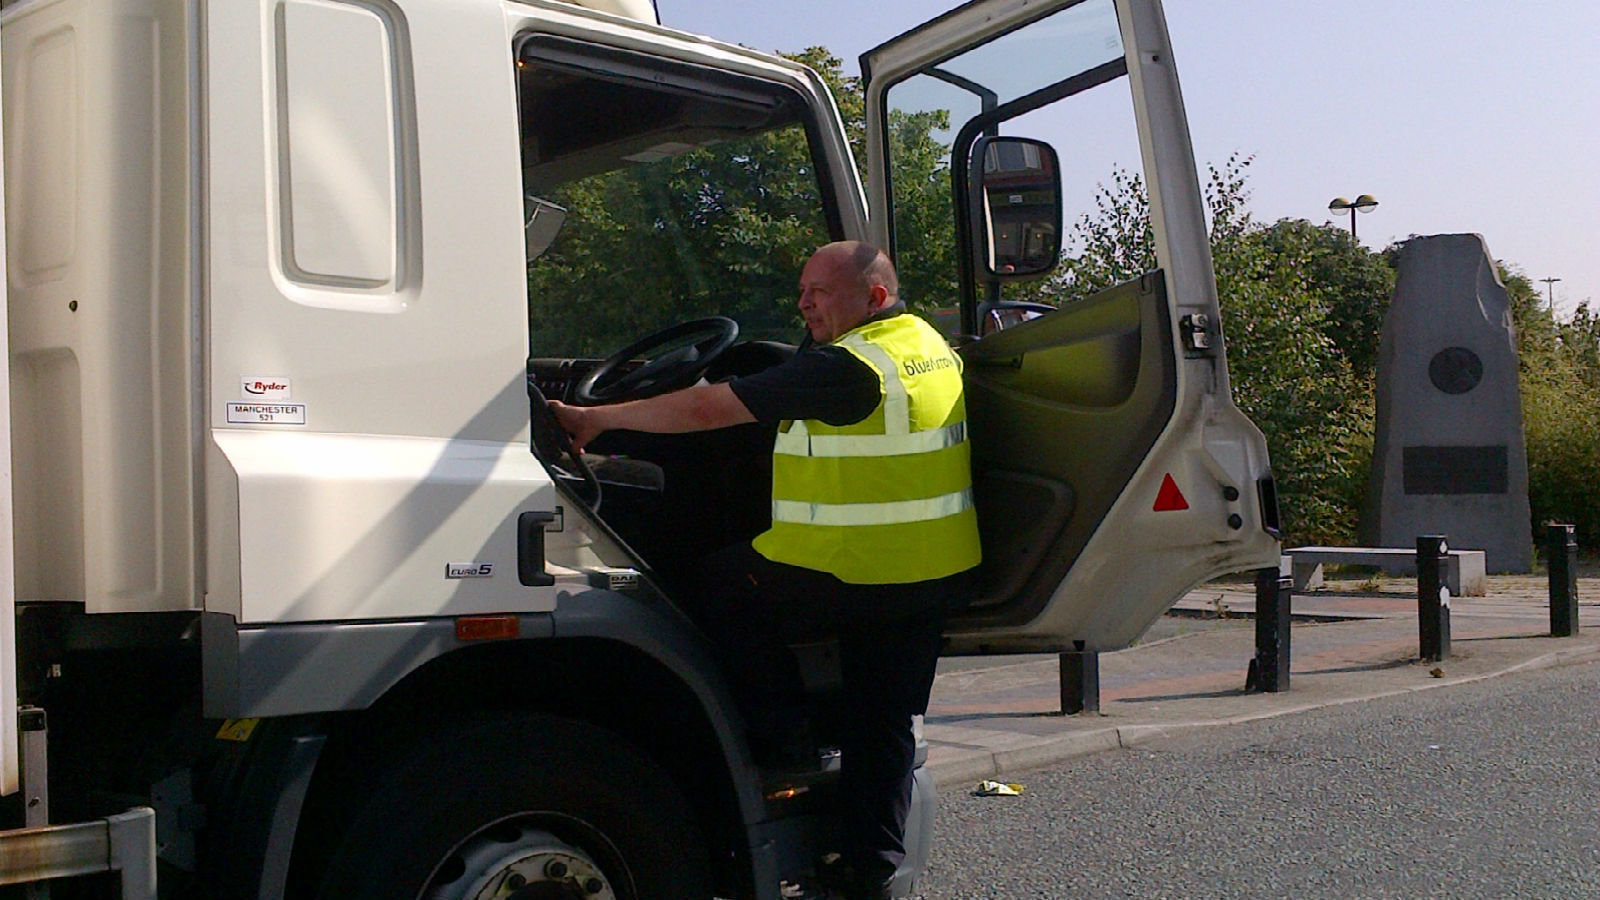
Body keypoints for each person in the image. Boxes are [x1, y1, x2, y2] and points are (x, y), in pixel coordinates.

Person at [551, 241, 981, 900]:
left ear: (872, 296)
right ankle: (870, 871)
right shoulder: (922, 344)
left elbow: (705, 411)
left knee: (718, 584)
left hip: (849, 572)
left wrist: (591, 421)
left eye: (820, 290)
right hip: (926, 574)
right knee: (885, 724)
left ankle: (784, 741)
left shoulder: (848, 368)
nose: (804, 301)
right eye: (802, 289)